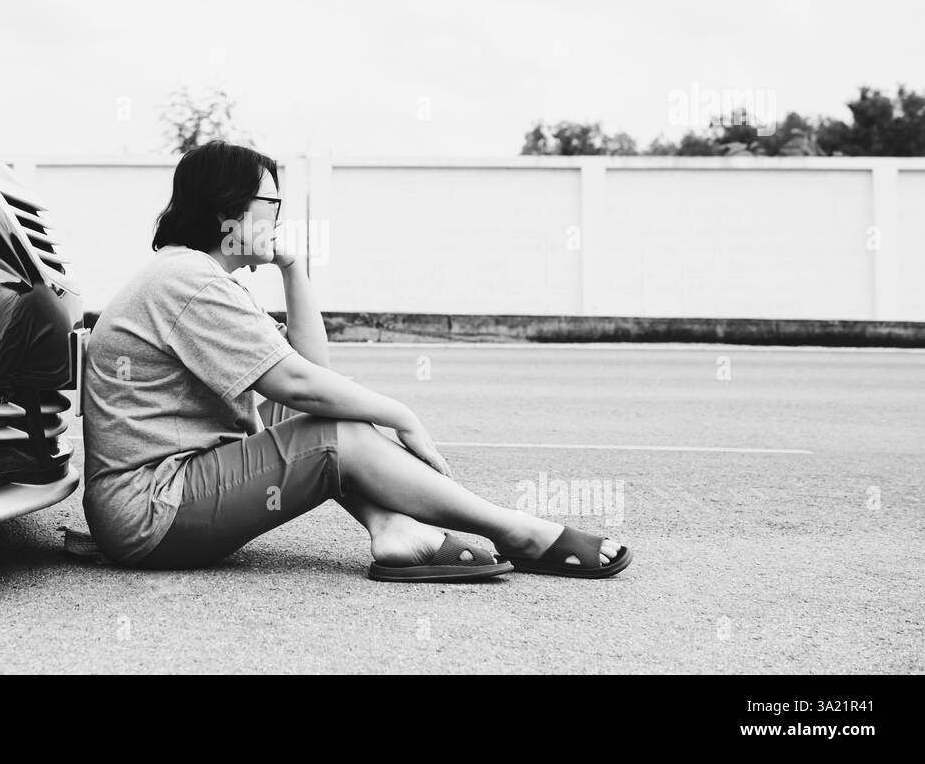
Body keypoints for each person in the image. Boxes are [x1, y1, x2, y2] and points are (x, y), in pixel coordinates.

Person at [80, 141, 632, 582]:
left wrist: (293, 269)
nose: (278, 220)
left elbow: (313, 371)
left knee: (321, 420)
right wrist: (402, 414)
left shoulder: (193, 277)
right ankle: (519, 532)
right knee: (331, 433)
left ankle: (392, 528)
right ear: (229, 210)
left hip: (162, 495)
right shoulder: (189, 282)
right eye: (272, 206)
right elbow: (305, 386)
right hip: (152, 509)